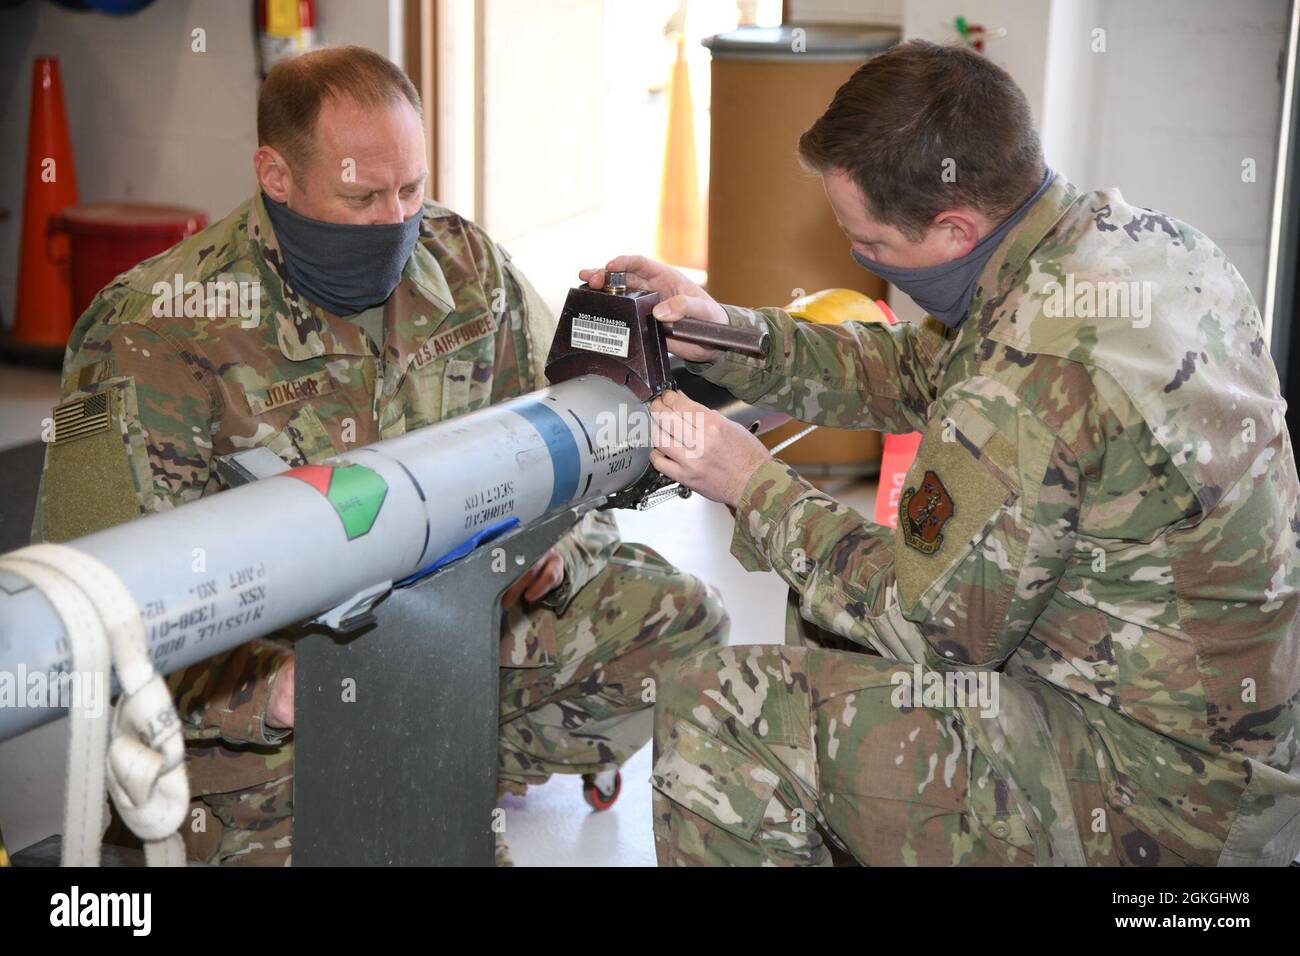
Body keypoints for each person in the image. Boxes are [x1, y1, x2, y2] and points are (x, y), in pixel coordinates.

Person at [582, 39, 1300, 866]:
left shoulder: (1033, 373)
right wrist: (723, 332)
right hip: (1225, 738)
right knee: (823, 615)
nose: (862, 260)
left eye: (873, 247)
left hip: (1161, 799)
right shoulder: (1139, 249)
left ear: (956, 228)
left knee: (720, 706)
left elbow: (926, 626)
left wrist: (751, 482)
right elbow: (922, 369)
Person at [33, 45, 728, 865]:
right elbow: (87, 610)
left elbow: (561, 452)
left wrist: (558, 545)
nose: (394, 221)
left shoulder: (461, 265)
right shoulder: (151, 328)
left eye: (411, 189)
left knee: (677, 624)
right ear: (276, 174)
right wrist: (275, 694)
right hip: (264, 709)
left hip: (458, 633)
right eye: (361, 195)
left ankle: (460, 762)